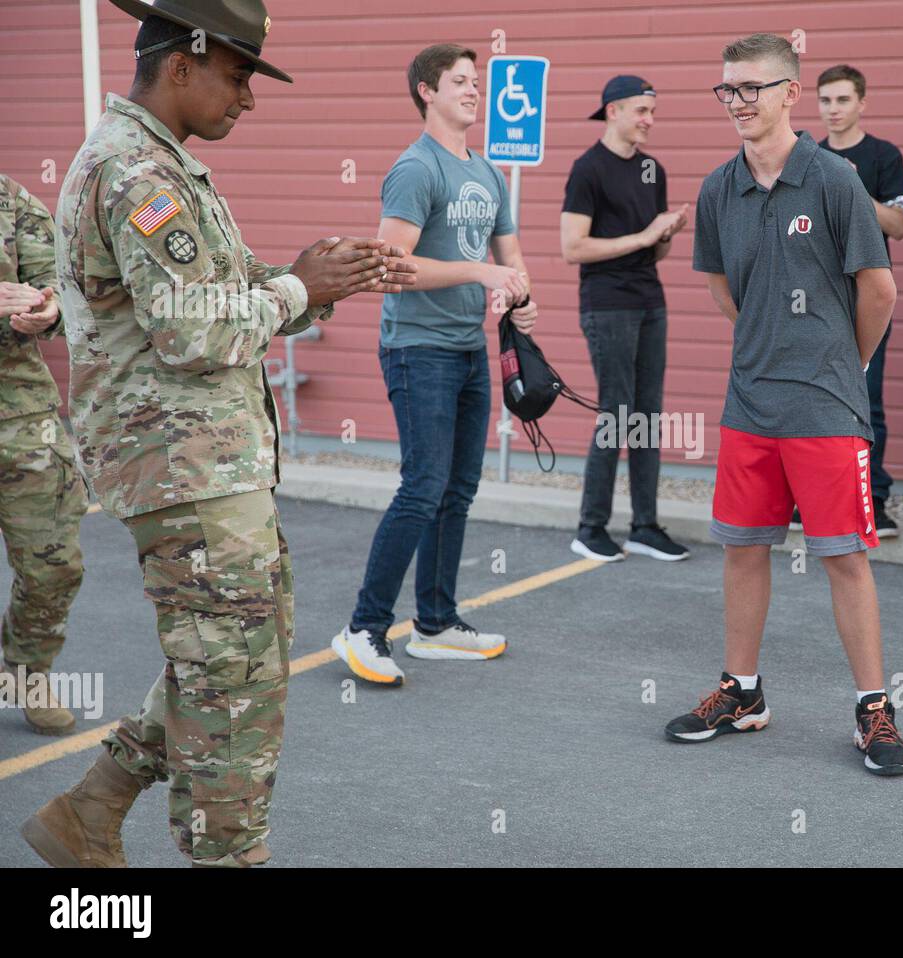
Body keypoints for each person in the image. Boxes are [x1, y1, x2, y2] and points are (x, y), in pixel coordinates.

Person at [23, 1, 415, 868]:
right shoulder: (136, 174)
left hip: (202, 465)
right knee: (236, 680)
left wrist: (309, 278)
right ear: (180, 65)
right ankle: (226, 857)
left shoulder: (156, 163)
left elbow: (195, 300)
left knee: (240, 656)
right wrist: (296, 292)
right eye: (238, 76)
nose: (247, 98)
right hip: (181, 468)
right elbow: (193, 333)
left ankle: (91, 809)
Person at [666, 33, 903, 777]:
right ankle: (743, 693)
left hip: (826, 407)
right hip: (749, 405)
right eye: (728, 90)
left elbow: (881, 291)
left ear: (790, 94)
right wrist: (766, 350)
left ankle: (873, 709)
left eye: (753, 88)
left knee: (845, 560)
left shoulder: (834, 180)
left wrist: (845, 364)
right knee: (743, 550)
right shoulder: (717, 189)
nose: (739, 102)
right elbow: (720, 288)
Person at [333, 44, 538, 684]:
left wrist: (520, 299)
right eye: (460, 81)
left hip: (468, 351)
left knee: (457, 489)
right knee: (422, 487)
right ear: (427, 91)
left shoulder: (488, 174)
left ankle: (435, 623)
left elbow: (512, 260)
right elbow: (390, 269)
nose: (474, 91)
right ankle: (364, 629)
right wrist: (482, 273)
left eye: (476, 81)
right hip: (416, 350)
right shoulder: (415, 169)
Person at [562, 75, 690, 563]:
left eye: (652, 112)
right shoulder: (587, 170)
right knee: (615, 414)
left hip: (648, 301)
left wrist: (664, 234)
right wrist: (642, 237)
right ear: (613, 110)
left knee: (647, 417)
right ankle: (590, 527)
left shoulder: (653, 170)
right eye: (641, 111)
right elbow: (572, 248)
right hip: (607, 303)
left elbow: (654, 249)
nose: (649, 121)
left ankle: (644, 526)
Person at [0, 173, 89, 736]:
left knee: (54, 563)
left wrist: (48, 309)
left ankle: (28, 670)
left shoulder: (6, 197)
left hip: (20, 410)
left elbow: (58, 279)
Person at [816, 63, 903, 538]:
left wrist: (851, 184)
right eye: (825, 101)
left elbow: (899, 225)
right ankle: (817, 498)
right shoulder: (807, 155)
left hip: (868, 298)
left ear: (861, 103)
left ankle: (874, 499)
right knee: (814, 399)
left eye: (842, 100)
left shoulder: (882, 155)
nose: (833, 110)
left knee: (865, 400)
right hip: (814, 298)